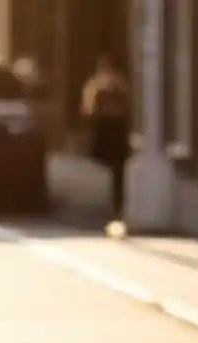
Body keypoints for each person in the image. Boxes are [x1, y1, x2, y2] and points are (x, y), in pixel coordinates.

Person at [81, 53, 132, 220]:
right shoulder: (114, 85)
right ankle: (114, 204)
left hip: (109, 129)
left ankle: (112, 204)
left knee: (112, 169)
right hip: (113, 128)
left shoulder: (98, 84)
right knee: (116, 170)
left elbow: (88, 110)